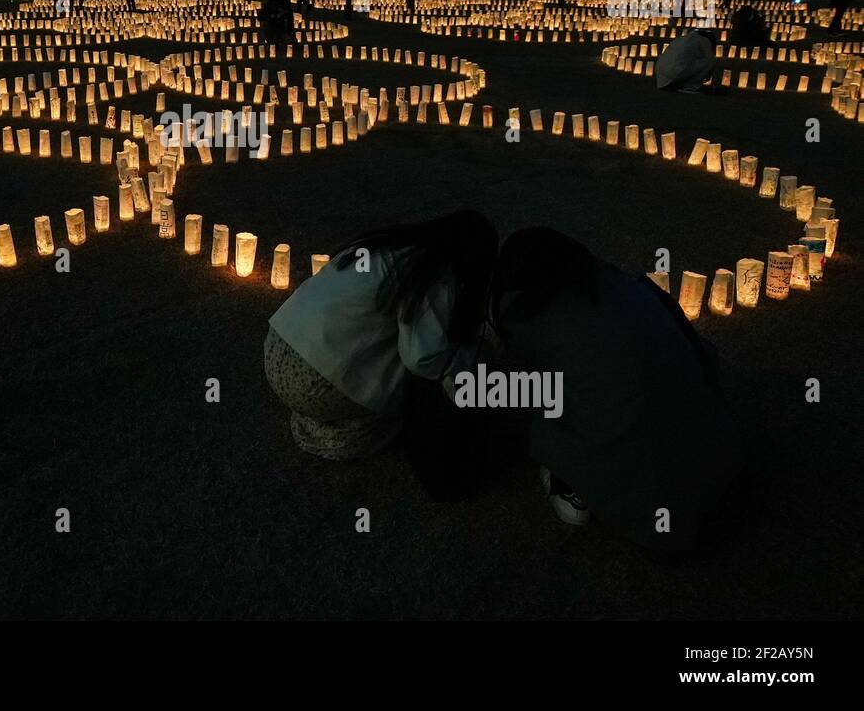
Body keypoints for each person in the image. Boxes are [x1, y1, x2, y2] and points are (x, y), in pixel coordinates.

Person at [489, 228, 743, 551]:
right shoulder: (637, 288)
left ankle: (571, 487)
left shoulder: (536, 317)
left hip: (663, 520)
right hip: (721, 466)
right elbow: (705, 355)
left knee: (542, 414)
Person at [264, 210, 499, 464]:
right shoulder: (432, 274)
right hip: (312, 379)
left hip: (277, 350)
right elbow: (422, 358)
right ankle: (329, 420)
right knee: (395, 417)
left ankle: (318, 412)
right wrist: (471, 358)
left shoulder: (384, 246)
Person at [655, 27, 717, 93]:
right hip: (675, 73)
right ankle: (690, 87)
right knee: (709, 61)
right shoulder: (704, 40)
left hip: (661, 75)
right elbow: (710, 58)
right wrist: (708, 75)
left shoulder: (682, 39)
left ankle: (677, 84)